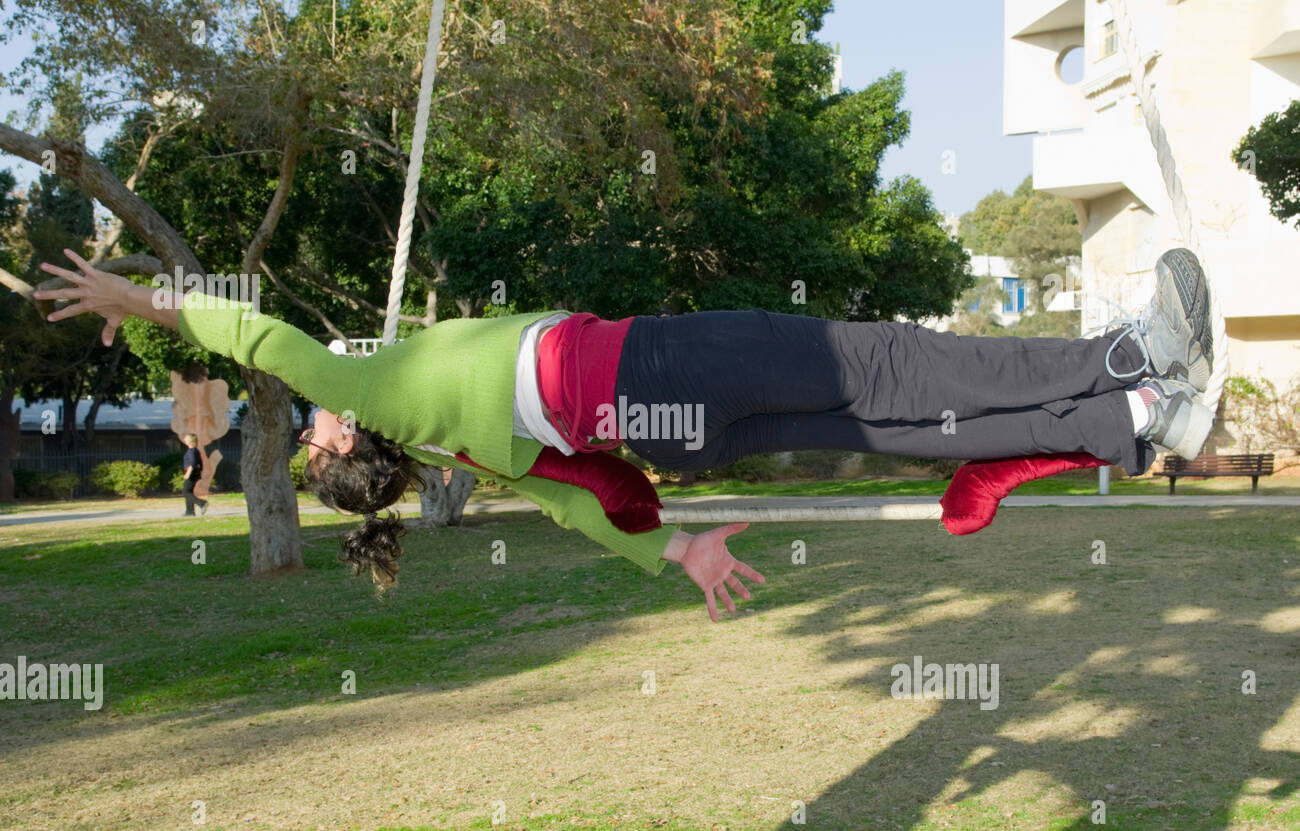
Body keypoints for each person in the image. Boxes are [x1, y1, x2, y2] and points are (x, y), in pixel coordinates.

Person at [35, 247, 1214, 620]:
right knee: (893, 366)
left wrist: (673, 551)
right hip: (645, 369)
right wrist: (151, 303)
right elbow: (272, 344)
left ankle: (1130, 420)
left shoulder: (448, 448)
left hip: (670, 430)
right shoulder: (379, 391)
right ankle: (1124, 359)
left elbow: (566, 500)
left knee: (895, 413)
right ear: (346, 451)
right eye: (308, 442)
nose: (307, 424)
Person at [180, 432, 209, 517]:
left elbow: (192, 463)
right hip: (195, 473)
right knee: (189, 491)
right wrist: (200, 471)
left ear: (189, 441)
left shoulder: (192, 451)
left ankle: (202, 503)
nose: (184, 439)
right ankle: (189, 512)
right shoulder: (195, 450)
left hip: (191, 473)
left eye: (185, 438)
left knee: (185, 491)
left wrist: (188, 473)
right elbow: (200, 463)